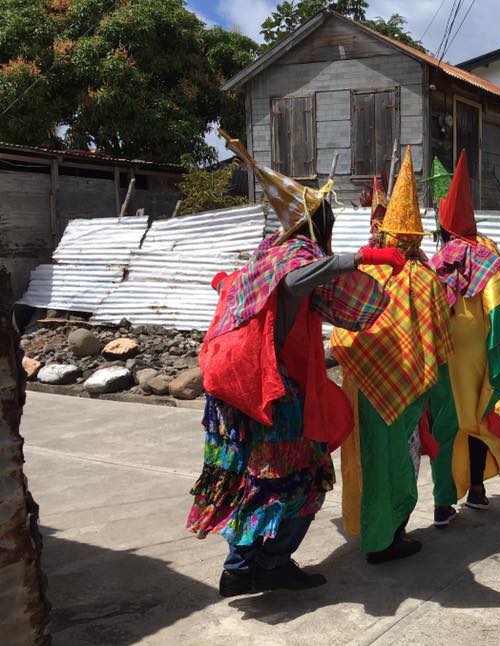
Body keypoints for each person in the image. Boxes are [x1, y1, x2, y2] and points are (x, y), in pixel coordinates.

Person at [186, 134, 404, 597]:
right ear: (315, 224)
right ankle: (270, 563)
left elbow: (246, 291)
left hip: (237, 391)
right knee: (300, 480)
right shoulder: (291, 261)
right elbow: (302, 277)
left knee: (252, 478)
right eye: (327, 219)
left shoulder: (263, 257)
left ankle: (240, 568)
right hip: (272, 391)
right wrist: (361, 257)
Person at [330, 147, 459, 563]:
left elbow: (342, 332)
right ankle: (388, 538)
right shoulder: (426, 278)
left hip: (367, 382)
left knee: (369, 459)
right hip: (407, 388)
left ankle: (372, 530)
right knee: (402, 461)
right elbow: (441, 343)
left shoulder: (366, 269)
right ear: (418, 238)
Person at [428, 151, 500, 524]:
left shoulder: (437, 260)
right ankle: (476, 490)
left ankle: (442, 505)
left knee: (444, 423)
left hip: (443, 351)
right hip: (477, 353)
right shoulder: (487, 254)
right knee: (477, 419)